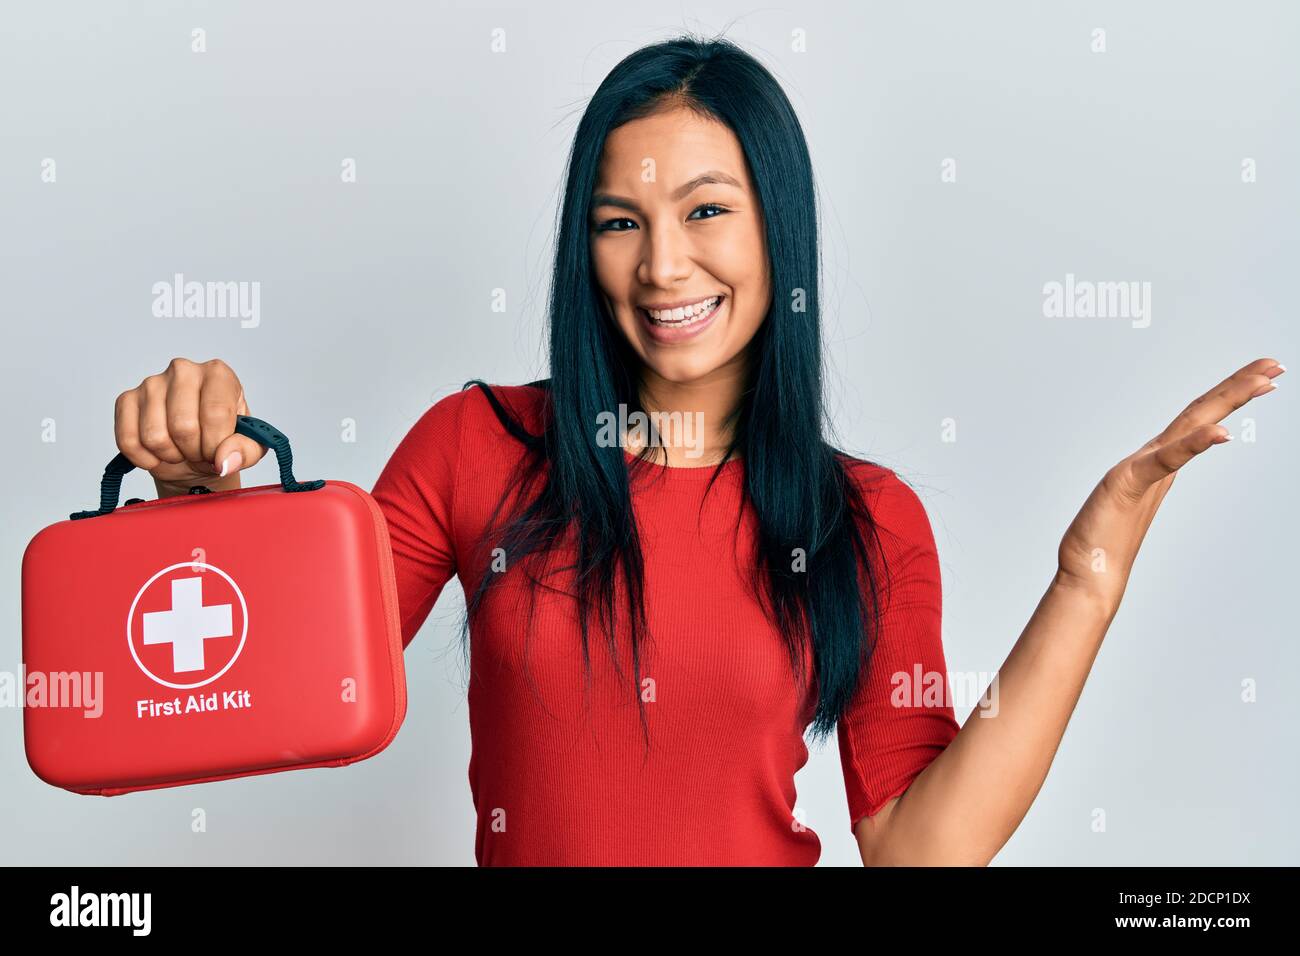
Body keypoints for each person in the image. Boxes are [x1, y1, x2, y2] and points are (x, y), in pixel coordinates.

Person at [109, 34, 1284, 866]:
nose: (663, 265)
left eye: (707, 210)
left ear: (782, 227)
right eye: (621, 222)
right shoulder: (477, 445)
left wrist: (1088, 577)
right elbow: (281, 683)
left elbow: (921, 851)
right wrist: (200, 507)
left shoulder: (862, 519)